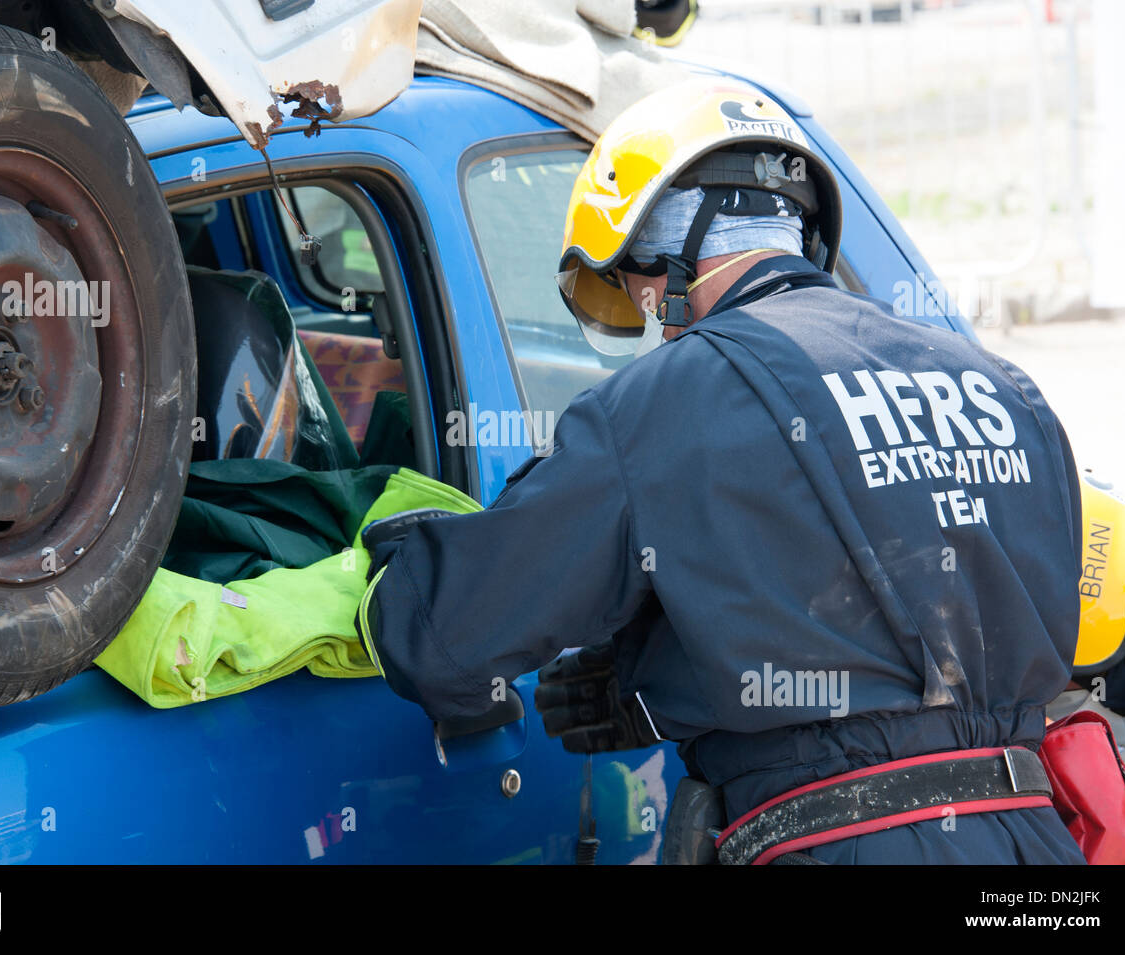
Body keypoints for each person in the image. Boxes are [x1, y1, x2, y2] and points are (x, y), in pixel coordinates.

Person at [356, 81, 1087, 864]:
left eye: (634, 285)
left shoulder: (662, 405)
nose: (645, 314)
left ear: (669, 241)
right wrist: (668, 679)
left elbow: (447, 638)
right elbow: (903, 616)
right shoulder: (1004, 388)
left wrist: (391, 573)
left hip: (838, 842)